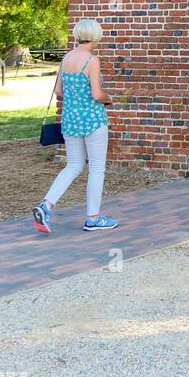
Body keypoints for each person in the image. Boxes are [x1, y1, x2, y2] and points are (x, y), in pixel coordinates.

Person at [32, 20, 118, 232]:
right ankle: (93, 218)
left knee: (73, 165)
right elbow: (97, 94)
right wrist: (109, 98)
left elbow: (59, 91)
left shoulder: (67, 57)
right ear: (96, 36)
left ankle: (46, 205)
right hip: (92, 120)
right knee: (97, 169)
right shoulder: (92, 60)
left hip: (70, 120)